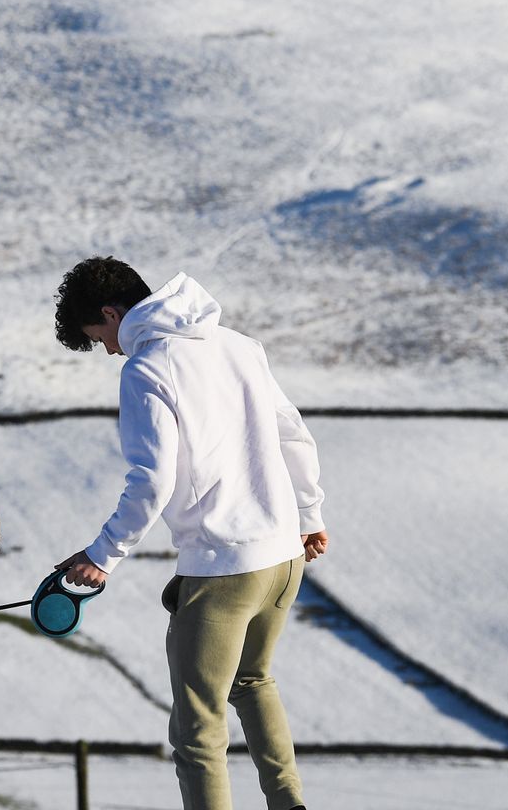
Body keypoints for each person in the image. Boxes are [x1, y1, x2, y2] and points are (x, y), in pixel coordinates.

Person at [51, 258, 328, 810]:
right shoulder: (240, 345)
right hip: (284, 559)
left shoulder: (148, 368)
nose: (110, 349)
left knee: (197, 732)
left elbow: (152, 479)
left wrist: (102, 556)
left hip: (224, 568)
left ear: (111, 313)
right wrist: (310, 516)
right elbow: (292, 433)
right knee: (253, 682)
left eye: (100, 336)